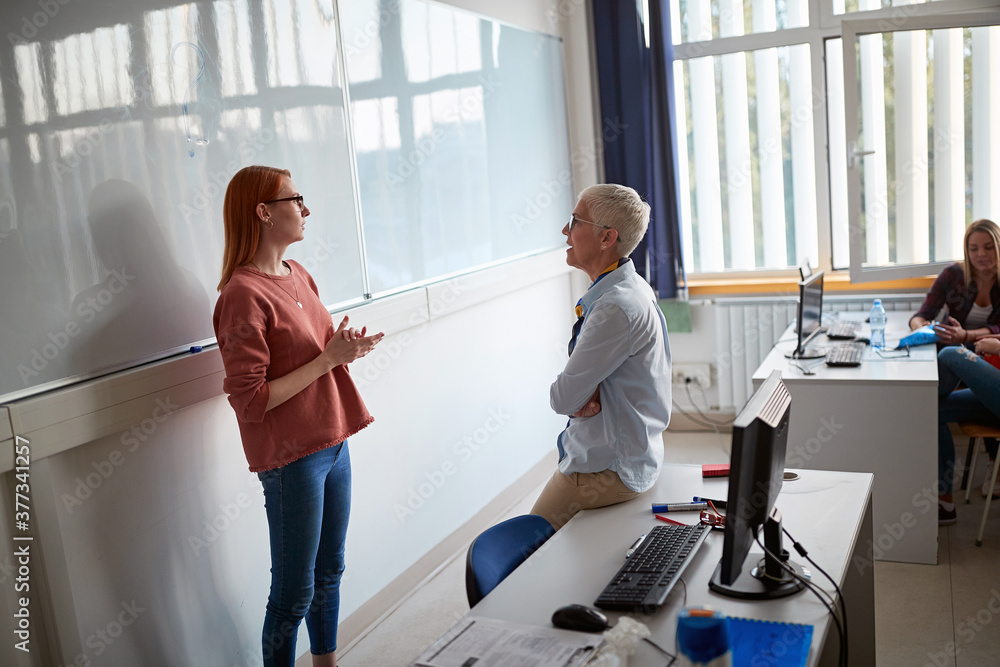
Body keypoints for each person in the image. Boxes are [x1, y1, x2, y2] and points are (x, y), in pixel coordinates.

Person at [213, 165, 383, 667]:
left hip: (333, 442)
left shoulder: (298, 274)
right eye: (295, 199)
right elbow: (250, 400)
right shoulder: (241, 295)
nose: (305, 210)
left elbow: (312, 355)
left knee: (330, 570)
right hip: (293, 461)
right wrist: (327, 360)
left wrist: (342, 350)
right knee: (292, 595)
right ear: (264, 212)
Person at [530, 184, 671, 530]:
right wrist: (582, 393)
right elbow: (577, 395)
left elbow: (562, 398)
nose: (566, 231)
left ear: (607, 238)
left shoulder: (613, 308)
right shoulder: (630, 287)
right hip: (639, 455)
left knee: (524, 548)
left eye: (575, 221)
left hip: (609, 469)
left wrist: (578, 396)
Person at [914, 219, 1000, 524]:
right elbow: (921, 315)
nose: (982, 255)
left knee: (952, 353)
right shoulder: (955, 275)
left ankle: (916, 396)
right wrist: (924, 330)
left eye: (989, 248)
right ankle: (944, 502)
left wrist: (972, 337)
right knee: (931, 409)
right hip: (986, 383)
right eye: (974, 248)